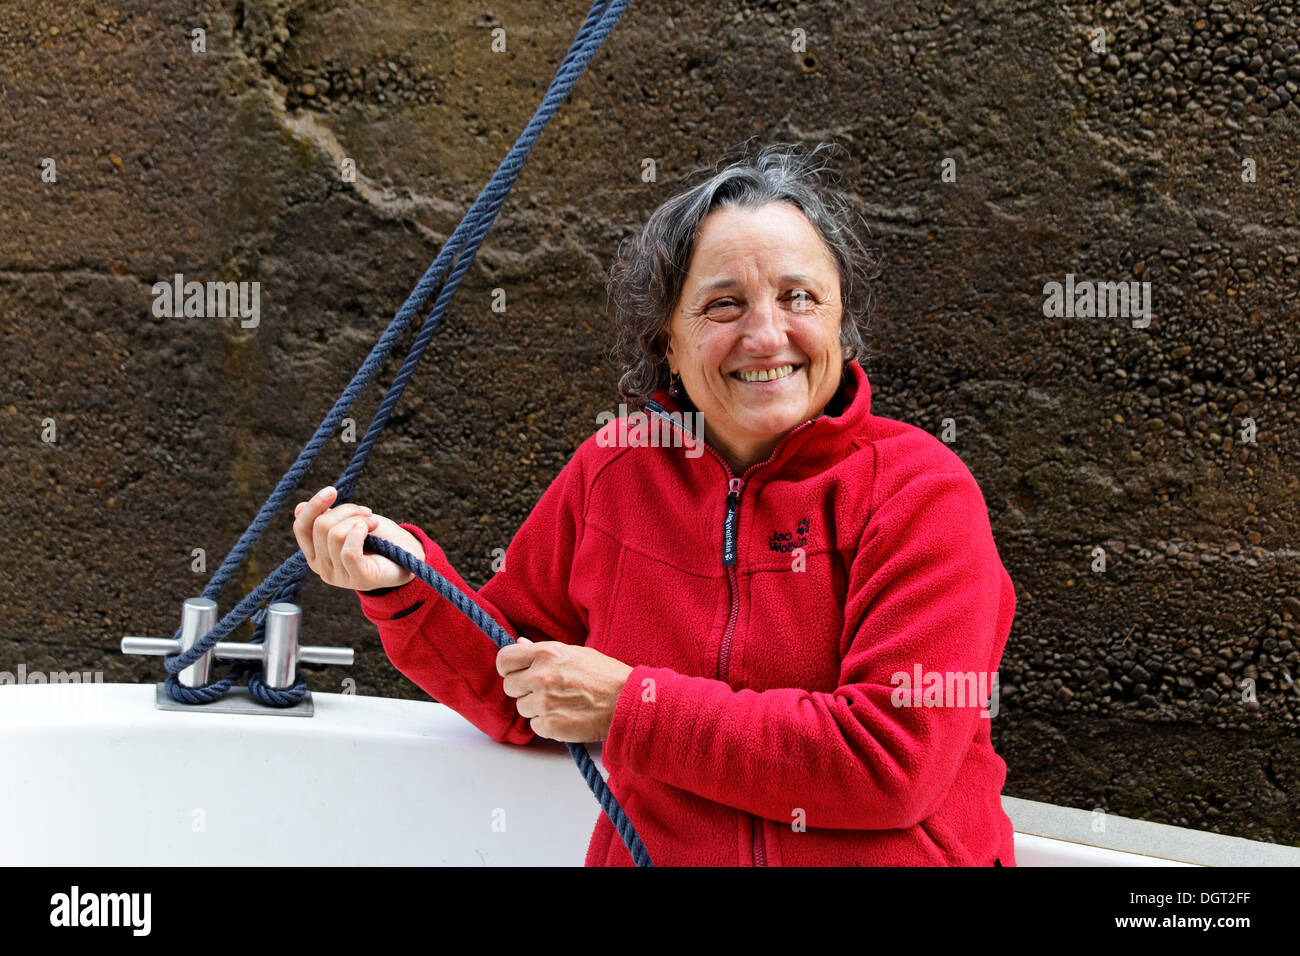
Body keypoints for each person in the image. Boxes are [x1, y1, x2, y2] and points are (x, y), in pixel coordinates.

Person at [293, 141, 1017, 866]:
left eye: (800, 297)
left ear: (841, 323)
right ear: (667, 339)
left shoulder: (922, 492)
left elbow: (891, 765)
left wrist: (633, 706)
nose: (767, 335)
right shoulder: (615, 468)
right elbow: (520, 680)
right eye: (724, 305)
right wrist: (407, 583)